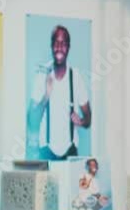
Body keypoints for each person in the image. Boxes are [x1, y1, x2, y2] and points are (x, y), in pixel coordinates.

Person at [31, 25, 91, 160]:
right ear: (51, 46)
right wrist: (46, 95)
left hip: (70, 151)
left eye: (63, 43)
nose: (59, 47)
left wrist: (81, 121)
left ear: (68, 47)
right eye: (56, 43)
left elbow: (88, 118)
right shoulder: (42, 75)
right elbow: (31, 119)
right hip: (46, 152)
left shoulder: (76, 77)